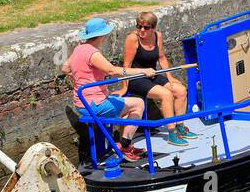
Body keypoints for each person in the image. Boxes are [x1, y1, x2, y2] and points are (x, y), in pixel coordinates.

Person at [64, 18, 154, 162]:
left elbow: (65, 67)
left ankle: (125, 142)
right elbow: (112, 71)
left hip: (81, 104)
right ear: (102, 36)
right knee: (138, 104)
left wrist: (81, 78)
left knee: (127, 111)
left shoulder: (79, 48)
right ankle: (124, 146)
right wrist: (144, 71)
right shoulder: (93, 53)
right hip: (95, 105)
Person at [122, 11, 193, 141]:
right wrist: (124, 87)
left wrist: (169, 77)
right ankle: (171, 132)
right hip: (136, 78)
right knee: (166, 94)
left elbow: (162, 58)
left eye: (146, 27)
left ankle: (180, 126)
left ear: (153, 28)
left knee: (181, 90)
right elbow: (126, 65)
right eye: (139, 26)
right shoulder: (132, 39)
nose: (141, 30)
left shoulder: (158, 36)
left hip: (153, 74)